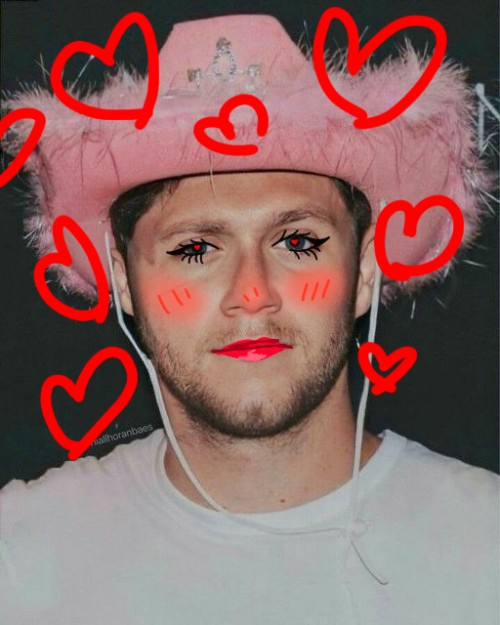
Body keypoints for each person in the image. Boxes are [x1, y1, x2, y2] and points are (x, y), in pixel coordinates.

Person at [0, 13, 497, 625]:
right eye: (195, 250)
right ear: (124, 280)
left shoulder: (485, 546)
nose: (252, 293)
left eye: (298, 242)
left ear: (366, 268)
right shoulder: (21, 558)